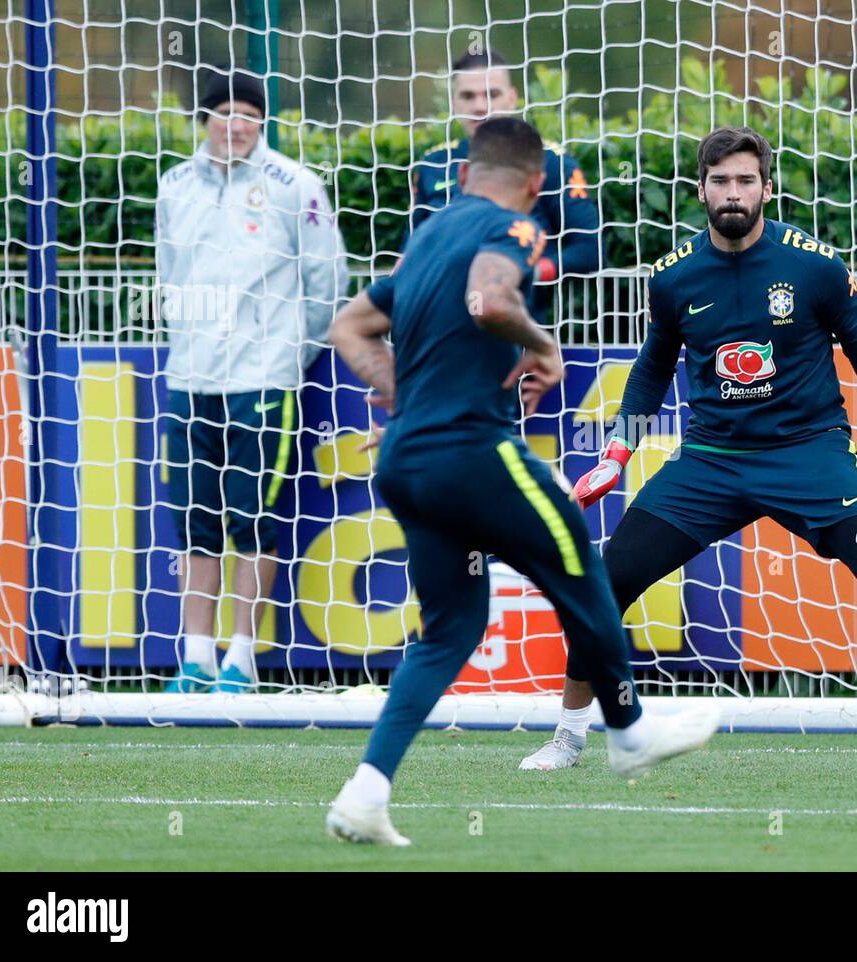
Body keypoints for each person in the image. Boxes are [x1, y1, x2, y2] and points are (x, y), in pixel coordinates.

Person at [519, 126, 857, 773]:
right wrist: (617, 454)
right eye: (721, 181)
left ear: (767, 187)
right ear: (701, 189)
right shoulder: (672, 279)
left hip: (810, 455)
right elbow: (653, 366)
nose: (733, 193)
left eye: (746, 180)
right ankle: (569, 737)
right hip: (711, 461)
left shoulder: (814, 266)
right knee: (606, 583)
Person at [324, 117, 718, 846]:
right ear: (537, 185)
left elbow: (349, 326)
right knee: (579, 554)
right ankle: (628, 729)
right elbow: (490, 300)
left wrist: (403, 397)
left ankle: (364, 794)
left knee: (450, 631)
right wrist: (546, 346)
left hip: (405, 459)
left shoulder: (429, 234)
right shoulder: (516, 228)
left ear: (465, 171)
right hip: (472, 450)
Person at [157, 69, 348, 693]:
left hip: (263, 377)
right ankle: (194, 656)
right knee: (193, 517)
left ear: (262, 121)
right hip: (189, 378)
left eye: (247, 113)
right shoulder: (174, 185)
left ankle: (240, 657)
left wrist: (290, 354)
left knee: (252, 515)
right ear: (204, 120)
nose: (235, 124)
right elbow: (168, 276)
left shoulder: (296, 185)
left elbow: (327, 282)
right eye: (223, 113)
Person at [408, 49, 600, 320]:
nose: (479, 106)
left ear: (512, 98)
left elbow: (589, 250)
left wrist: (530, 273)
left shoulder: (552, 162)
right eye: (468, 96)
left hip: (519, 326)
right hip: (439, 325)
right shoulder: (433, 164)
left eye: (491, 94)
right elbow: (412, 248)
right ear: (454, 103)